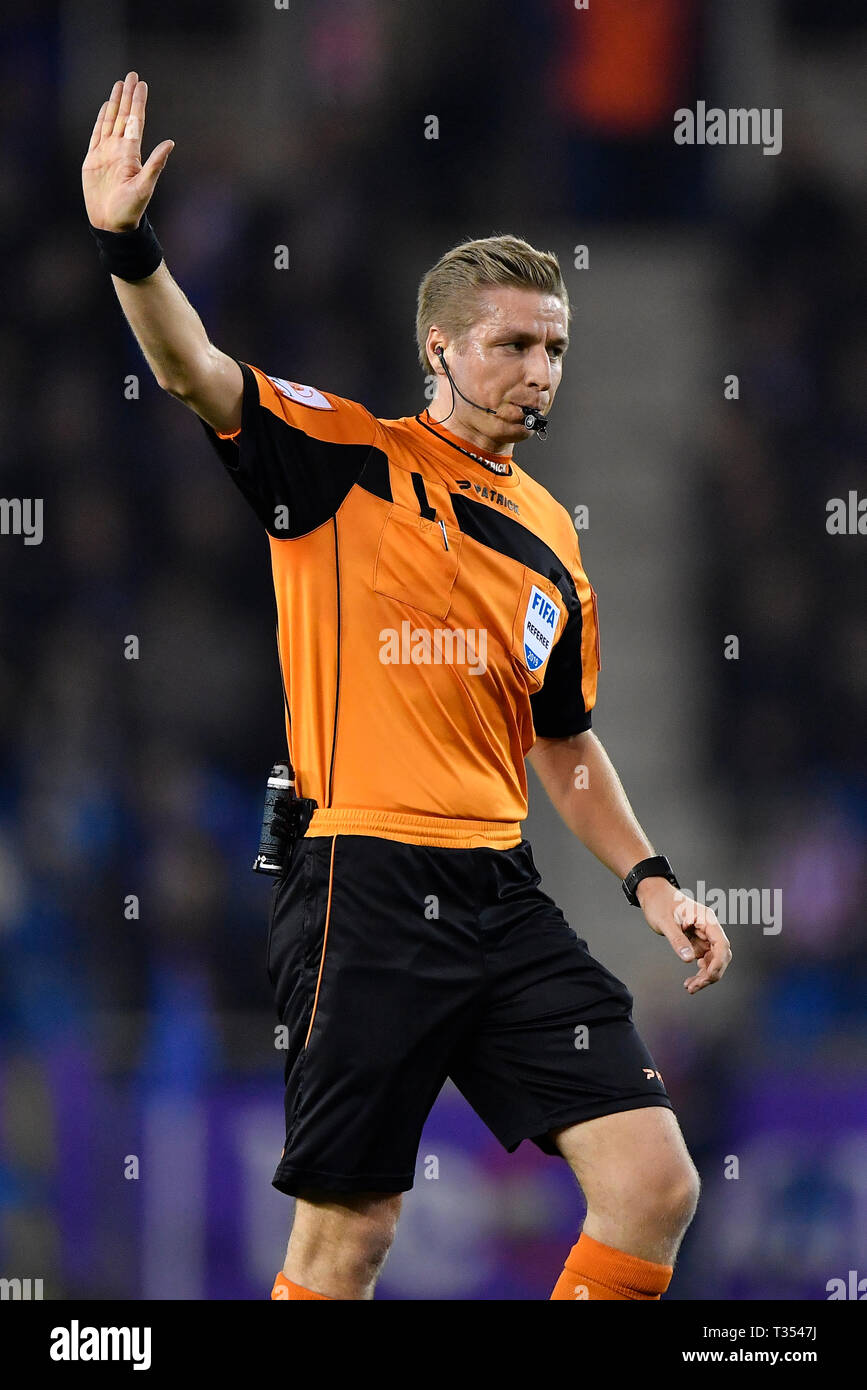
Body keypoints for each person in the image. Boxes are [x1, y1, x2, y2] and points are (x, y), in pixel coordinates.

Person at [83, 71, 732, 1302]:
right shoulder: (344, 458)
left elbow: (567, 742)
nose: (541, 371)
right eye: (514, 345)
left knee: (654, 1185)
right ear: (441, 348)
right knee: (351, 1238)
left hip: (503, 891)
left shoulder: (551, 528)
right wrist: (127, 241)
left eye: (555, 348)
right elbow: (193, 372)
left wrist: (651, 883)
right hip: (365, 881)